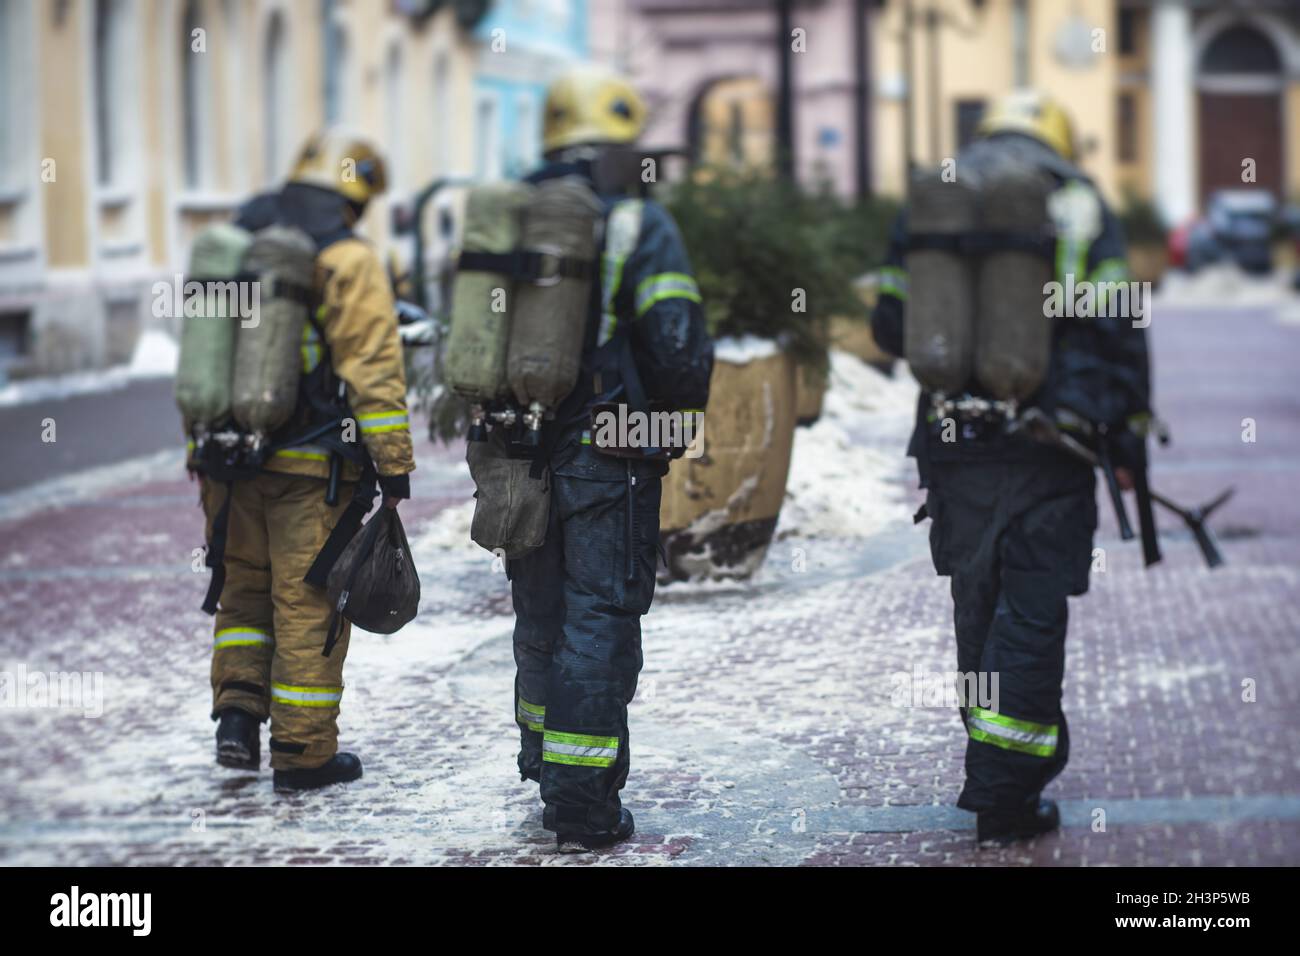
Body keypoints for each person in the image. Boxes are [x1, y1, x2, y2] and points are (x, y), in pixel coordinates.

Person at [871, 91, 1154, 843]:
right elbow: (1120, 326)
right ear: (1059, 139)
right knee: (1030, 612)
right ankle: (1005, 796)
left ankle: (993, 763)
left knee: (978, 607)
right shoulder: (1080, 203)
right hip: (1048, 447)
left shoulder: (937, 197)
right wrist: (1126, 438)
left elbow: (891, 324)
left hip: (954, 445)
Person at [507, 65, 714, 851]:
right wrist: (676, 420)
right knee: (598, 616)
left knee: (540, 614)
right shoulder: (635, 223)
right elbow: (675, 345)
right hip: (609, 446)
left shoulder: (513, 212)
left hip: (515, 448)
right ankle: (582, 801)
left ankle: (542, 761)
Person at [201, 130, 415, 792]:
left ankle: (237, 717)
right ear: (357, 194)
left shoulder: (238, 236)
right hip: (311, 469)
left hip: (228, 461)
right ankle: (302, 752)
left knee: (242, 589)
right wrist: (394, 464)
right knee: (307, 606)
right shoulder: (348, 256)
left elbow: (205, 354)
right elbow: (372, 364)